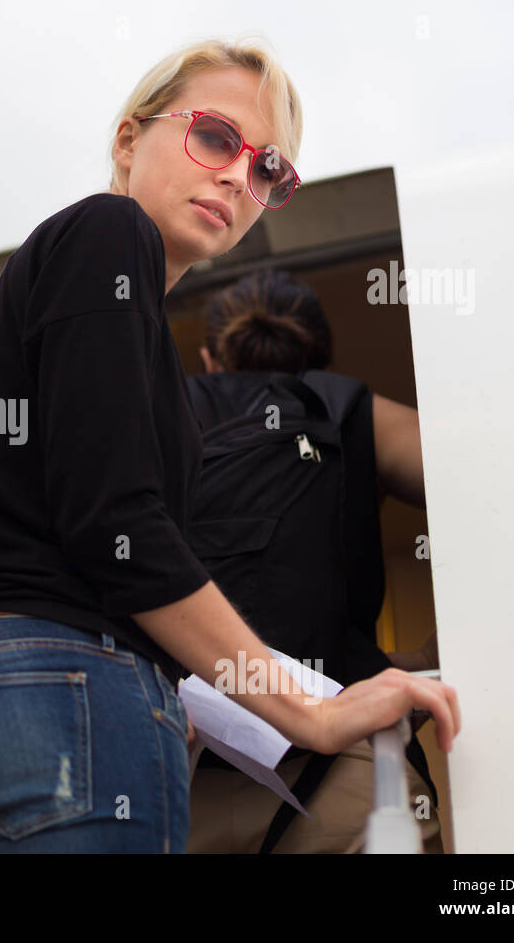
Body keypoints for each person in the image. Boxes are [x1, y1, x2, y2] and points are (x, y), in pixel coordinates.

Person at [0, 37, 459, 854]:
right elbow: (117, 533)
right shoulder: (109, 232)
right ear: (129, 140)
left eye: (268, 169)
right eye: (216, 137)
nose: (239, 176)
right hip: (58, 708)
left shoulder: (86, 305)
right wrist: (314, 712)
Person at [183, 268, 443, 853]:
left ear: (208, 357)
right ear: (321, 356)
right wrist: (428, 657)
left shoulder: (155, 412)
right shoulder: (347, 406)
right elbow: (489, 491)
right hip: (344, 760)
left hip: (184, 768)